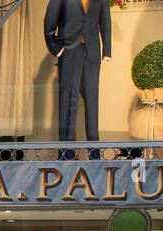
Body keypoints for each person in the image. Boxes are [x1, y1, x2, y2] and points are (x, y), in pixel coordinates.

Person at [44, 0, 111, 143]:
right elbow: (49, 20)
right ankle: (65, 153)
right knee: (68, 99)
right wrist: (56, 48)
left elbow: (105, 19)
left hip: (92, 51)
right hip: (69, 50)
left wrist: (107, 51)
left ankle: (94, 152)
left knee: (92, 101)